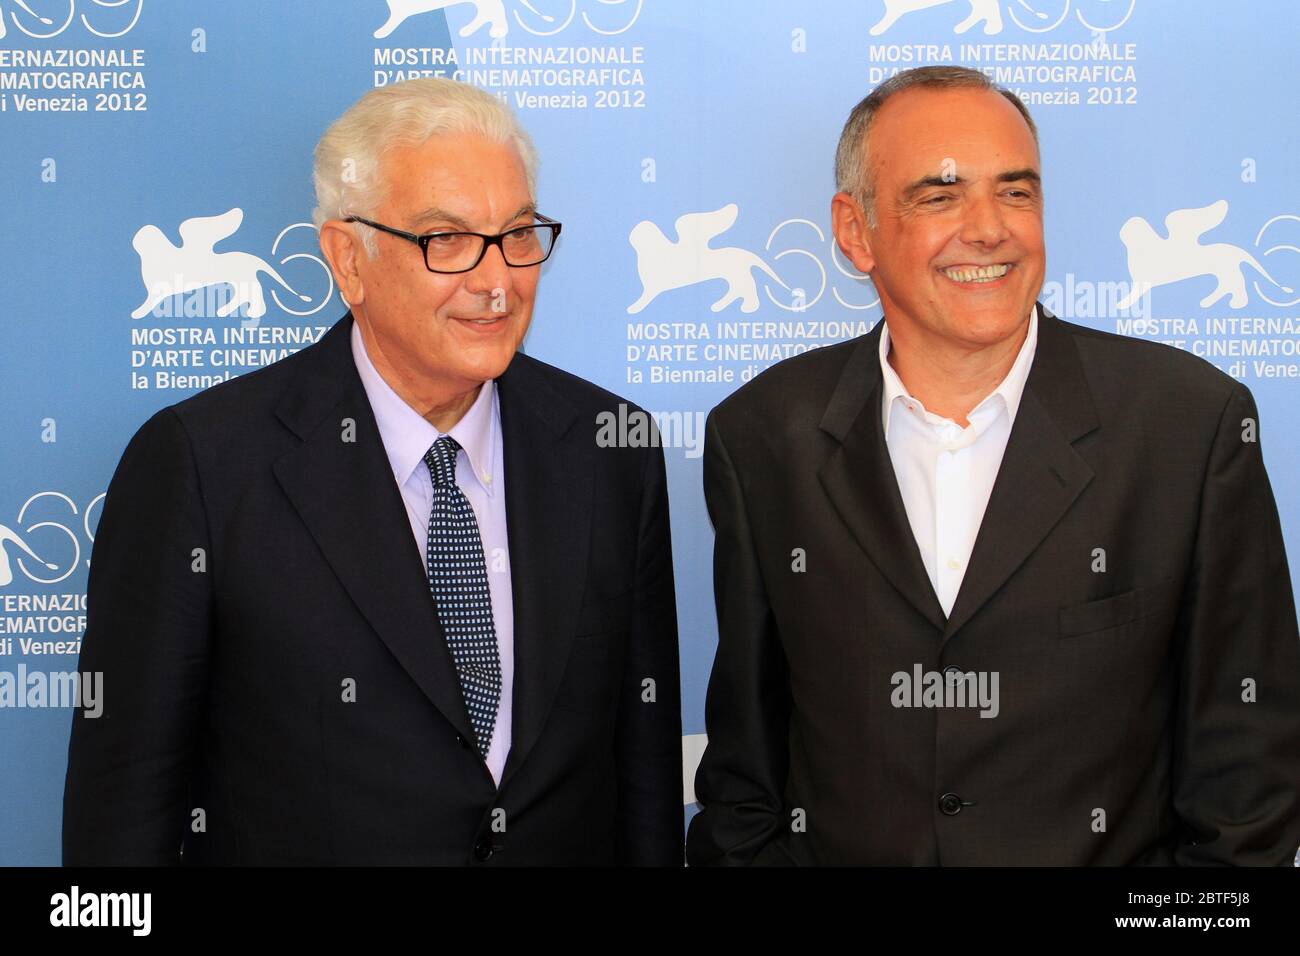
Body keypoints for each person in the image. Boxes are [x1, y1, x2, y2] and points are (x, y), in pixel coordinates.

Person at [687, 66, 1300, 865]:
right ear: (854, 231)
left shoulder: (1187, 425)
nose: (989, 229)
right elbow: (748, 771)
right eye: (940, 197)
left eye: (1015, 193)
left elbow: (1247, 787)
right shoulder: (764, 437)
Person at [63, 77, 683, 865]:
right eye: (446, 240)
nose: (498, 281)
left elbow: (645, 777)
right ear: (347, 259)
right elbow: (123, 815)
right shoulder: (202, 465)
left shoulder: (612, 446)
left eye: (519, 234)